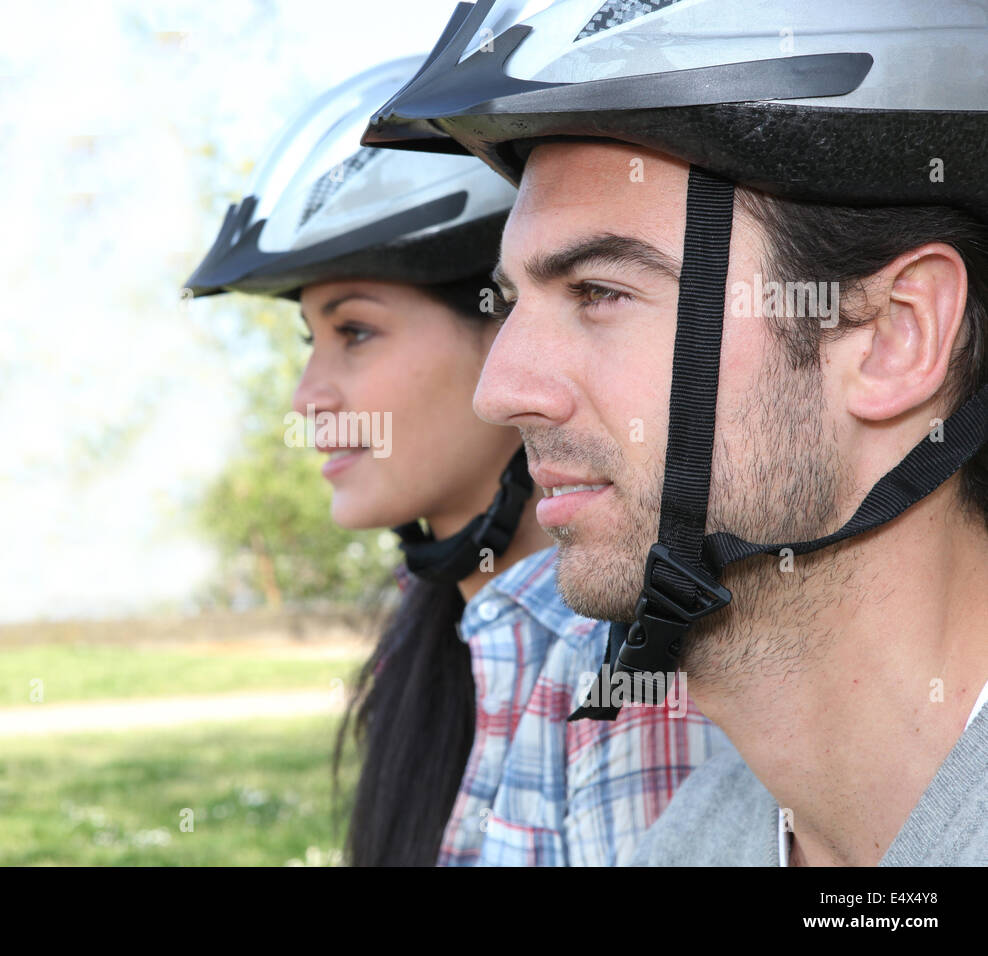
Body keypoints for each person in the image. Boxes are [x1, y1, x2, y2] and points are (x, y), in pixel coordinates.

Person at [365, 0, 988, 865]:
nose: (502, 393)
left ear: (895, 335)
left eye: (599, 291)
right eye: (511, 305)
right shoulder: (687, 845)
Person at [186, 55, 726, 866]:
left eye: (355, 333)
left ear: (508, 333)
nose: (307, 399)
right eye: (311, 341)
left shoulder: (629, 680)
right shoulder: (454, 643)